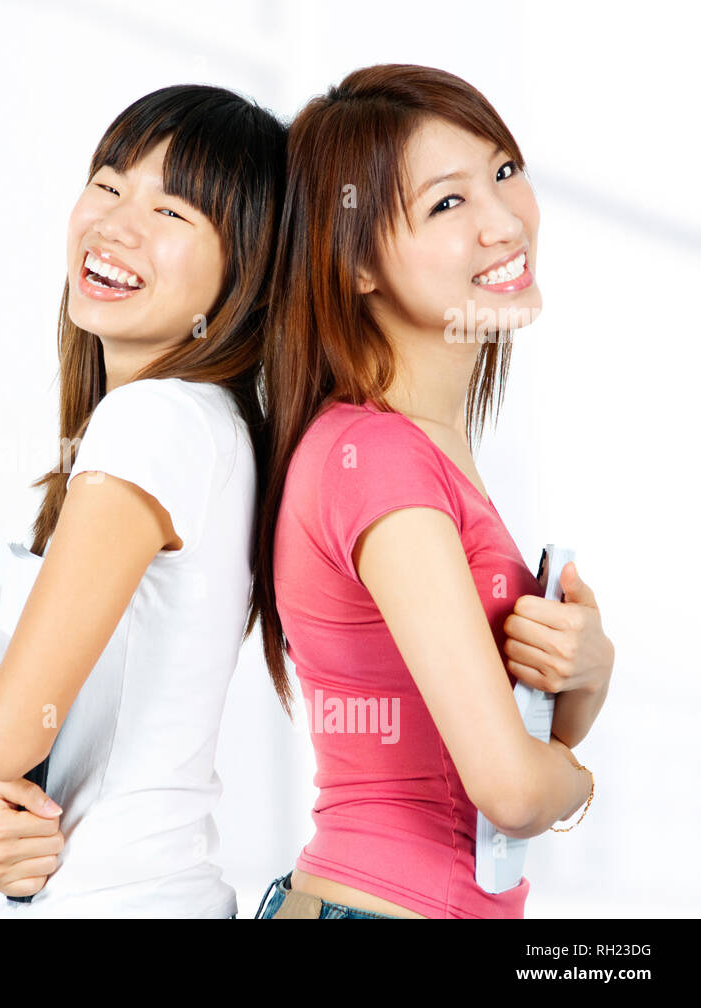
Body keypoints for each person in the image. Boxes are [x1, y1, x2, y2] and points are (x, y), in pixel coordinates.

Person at [253, 64, 615, 919]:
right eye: (448, 205)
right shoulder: (375, 458)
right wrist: (579, 784)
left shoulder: (411, 446)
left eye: (503, 171)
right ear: (359, 263)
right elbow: (513, 792)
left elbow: (476, 758)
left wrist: (586, 677)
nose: (503, 221)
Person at [0, 83, 288, 916]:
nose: (118, 223)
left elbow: (12, 731)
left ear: (246, 273)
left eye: (174, 214)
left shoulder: (155, 422)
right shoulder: (210, 427)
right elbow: (11, 752)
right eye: (108, 182)